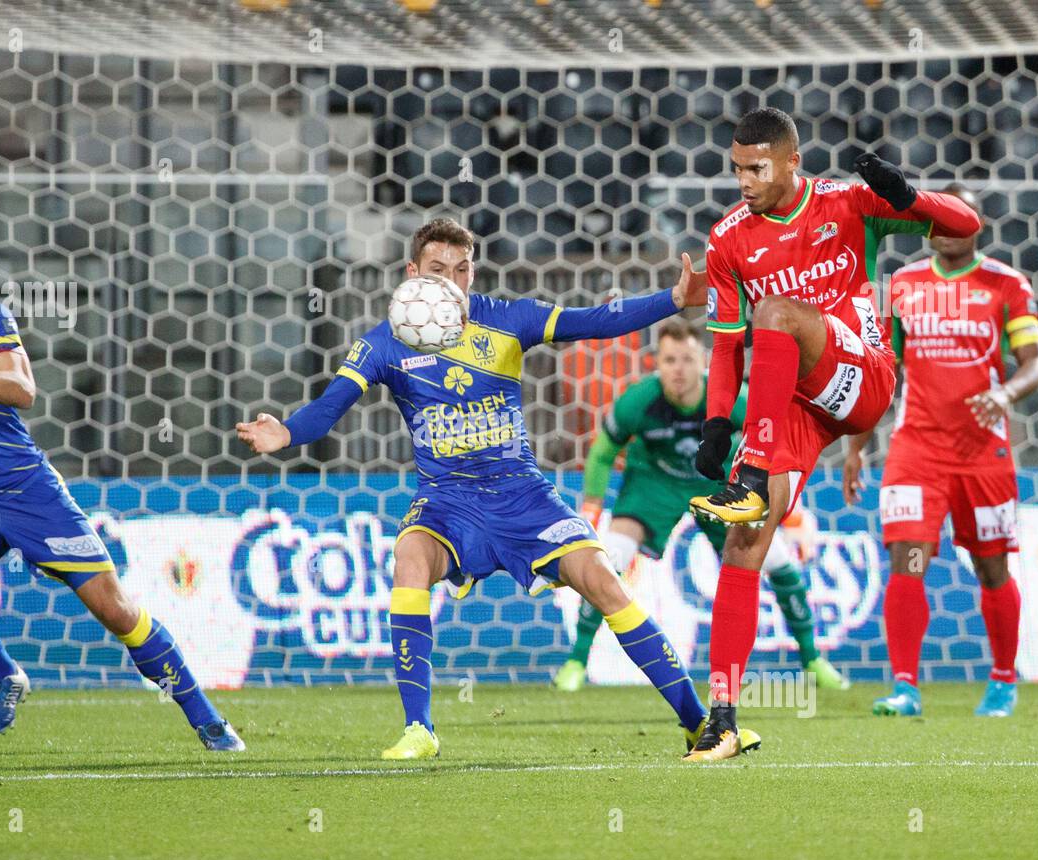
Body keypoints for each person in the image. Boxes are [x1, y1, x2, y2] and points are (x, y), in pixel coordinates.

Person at [236, 217, 759, 759]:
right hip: (448, 501)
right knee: (409, 558)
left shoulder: (507, 320)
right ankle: (420, 729)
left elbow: (597, 321)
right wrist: (288, 432)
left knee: (603, 581)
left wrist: (673, 298)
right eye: (438, 271)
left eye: (462, 270)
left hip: (523, 495)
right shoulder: (383, 345)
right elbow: (328, 409)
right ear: (412, 274)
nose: (452, 282)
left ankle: (701, 724)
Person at [0, 209, 243, 750]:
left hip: (29, 491)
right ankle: (3, 674)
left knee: (116, 609)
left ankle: (205, 716)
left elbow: (22, 389)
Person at [683, 107, 980, 760]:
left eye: (756, 168)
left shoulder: (848, 203)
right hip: (795, 405)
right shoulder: (729, 238)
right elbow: (729, 350)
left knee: (779, 313)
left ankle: (752, 474)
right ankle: (725, 717)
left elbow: (966, 224)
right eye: (735, 169)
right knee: (744, 540)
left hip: (864, 379)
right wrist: (713, 424)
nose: (743, 182)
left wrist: (908, 196)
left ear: (793, 161)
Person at [553, 321, 847, 692]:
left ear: (703, 361)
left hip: (715, 482)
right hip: (653, 483)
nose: (678, 369)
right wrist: (592, 510)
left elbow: (778, 446)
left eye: (687, 359)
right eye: (669, 360)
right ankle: (577, 662)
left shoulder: (730, 397)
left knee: (776, 560)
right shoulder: (638, 399)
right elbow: (602, 452)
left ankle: (813, 659)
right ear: (655, 364)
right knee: (610, 557)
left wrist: (794, 516)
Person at [843, 185, 1038, 718]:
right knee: (907, 560)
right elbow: (880, 376)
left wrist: (1004, 393)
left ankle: (1003, 681)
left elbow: (1036, 361)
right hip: (917, 450)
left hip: (984, 452)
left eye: (957, 216)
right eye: (932, 217)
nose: (944, 226)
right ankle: (905, 687)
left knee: (991, 568)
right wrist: (855, 449)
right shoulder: (902, 287)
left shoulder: (1006, 284)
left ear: (976, 223)